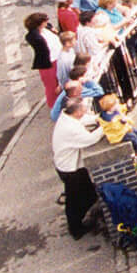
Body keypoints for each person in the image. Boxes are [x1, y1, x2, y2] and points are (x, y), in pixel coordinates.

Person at [52, 96, 103, 240]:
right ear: (77, 111)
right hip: (70, 169)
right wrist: (105, 127)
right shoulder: (70, 128)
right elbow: (90, 139)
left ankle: (89, 211)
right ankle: (76, 228)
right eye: (83, 108)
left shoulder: (68, 117)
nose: (86, 110)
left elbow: (84, 119)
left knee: (87, 191)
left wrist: (97, 120)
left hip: (71, 166)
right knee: (75, 201)